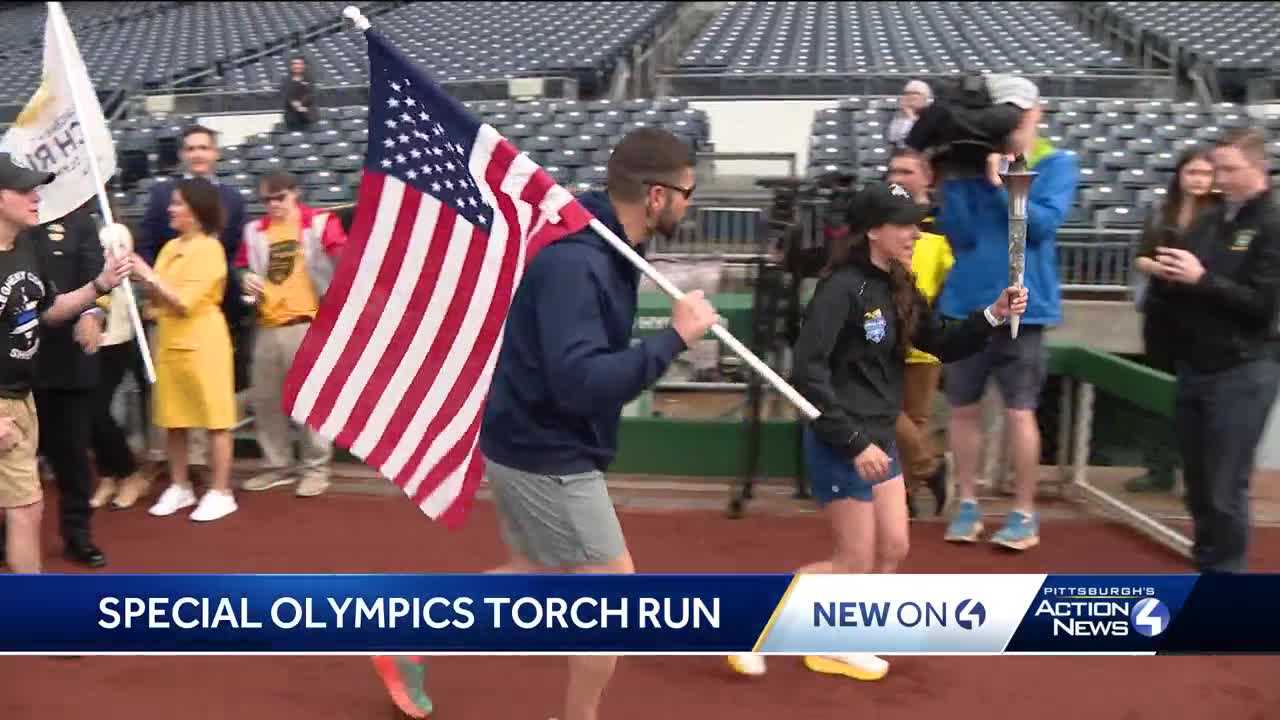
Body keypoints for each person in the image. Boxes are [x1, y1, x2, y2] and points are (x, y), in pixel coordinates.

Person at [370, 128, 718, 720]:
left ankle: (410, 642)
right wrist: (673, 340)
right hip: (546, 450)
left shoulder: (606, 251)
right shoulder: (579, 262)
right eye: (687, 192)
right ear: (657, 196)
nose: (690, 204)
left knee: (537, 575)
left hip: (533, 439)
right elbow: (580, 383)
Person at [727, 182, 1026, 681]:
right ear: (873, 231)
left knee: (893, 548)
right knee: (852, 558)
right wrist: (853, 441)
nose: (914, 232)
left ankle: (839, 642)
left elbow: (939, 341)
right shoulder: (840, 288)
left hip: (880, 434)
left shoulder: (900, 282)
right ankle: (753, 625)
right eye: (903, 224)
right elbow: (808, 373)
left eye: (916, 222)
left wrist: (993, 314)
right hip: (842, 440)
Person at [938, 76, 1079, 551]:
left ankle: (1023, 512)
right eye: (1004, 111)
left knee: (1020, 411)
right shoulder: (966, 166)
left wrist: (1005, 184)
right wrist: (959, 177)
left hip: (1025, 304)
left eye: (1020, 110)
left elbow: (1041, 227)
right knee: (962, 410)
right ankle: (968, 503)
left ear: (1037, 112)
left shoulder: (1056, 162)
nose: (1013, 120)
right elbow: (959, 235)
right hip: (967, 304)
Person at [1146, 128, 1280, 573]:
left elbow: (1263, 306)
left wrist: (1201, 279)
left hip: (1243, 367)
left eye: (1229, 169)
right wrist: (1169, 278)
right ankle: (1207, 565)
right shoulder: (1211, 220)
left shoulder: (1272, 222)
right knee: (1200, 486)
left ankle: (1226, 583)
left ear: (1259, 168)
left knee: (1226, 487)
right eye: (1216, 167)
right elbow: (1186, 285)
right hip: (1195, 363)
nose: (1218, 178)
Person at [0, 153, 131, 574]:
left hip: (23, 396)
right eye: (25, 189)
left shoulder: (26, 246)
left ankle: (30, 614)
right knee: (24, 508)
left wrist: (99, 286)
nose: (36, 195)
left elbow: (49, 310)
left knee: (26, 507)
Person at [138, 125, 249, 471]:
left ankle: (207, 470)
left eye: (204, 147)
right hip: (167, 309)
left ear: (215, 153)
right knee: (173, 403)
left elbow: (232, 258)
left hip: (210, 310)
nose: (198, 154)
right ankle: (174, 471)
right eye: (191, 148)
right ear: (183, 154)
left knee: (209, 399)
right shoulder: (160, 195)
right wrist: (155, 290)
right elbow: (148, 245)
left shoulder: (233, 198)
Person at [129, 179, 239, 523]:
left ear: (196, 210)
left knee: (216, 421)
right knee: (173, 419)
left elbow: (186, 302)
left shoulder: (210, 249)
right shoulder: (169, 247)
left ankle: (221, 491)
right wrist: (148, 283)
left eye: (177, 204)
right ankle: (180, 485)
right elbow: (159, 299)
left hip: (204, 342)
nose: (170, 209)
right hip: (169, 339)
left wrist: (149, 277)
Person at [235, 172, 345, 497]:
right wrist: (244, 279)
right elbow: (242, 266)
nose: (273, 205)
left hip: (306, 322)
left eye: (279, 197)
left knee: (311, 401)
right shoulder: (254, 231)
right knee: (266, 400)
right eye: (266, 200)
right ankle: (277, 464)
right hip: (268, 324)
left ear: (295, 193)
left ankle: (316, 468)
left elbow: (343, 254)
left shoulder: (318, 223)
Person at [1129, 147, 1220, 494]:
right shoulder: (1160, 212)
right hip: (1161, 309)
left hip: (1204, 313)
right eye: (1192, 173)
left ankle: (1200, 475)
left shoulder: (1222, 216)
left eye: (1205, 174)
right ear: (1179, 176)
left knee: (1199, 394)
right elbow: (1140, 257)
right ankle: (1158, 469)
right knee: (1157, 387)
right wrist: (1158, 267)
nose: (1198, 180)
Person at [29, 198, 113, 568]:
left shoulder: (80, 221)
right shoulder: (14, 220)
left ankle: (77, 535)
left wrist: (93, 314)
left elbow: (95, 275)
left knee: (73, 459)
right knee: (13, 457)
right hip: (18, 361)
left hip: (68, 357)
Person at [886, 148, 953, 517]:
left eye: (906, 170)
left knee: (917, 420)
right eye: (892, 170)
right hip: (880, 331)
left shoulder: (945, 224)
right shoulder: (878, 220)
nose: (896, 176)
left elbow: (953, 280)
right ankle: (931, 468)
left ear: (927, 177)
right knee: (880, 409)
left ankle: (906, 494)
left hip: (924, 337)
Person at [887, 80, 932, 147]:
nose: (910, 96)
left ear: (926, 97)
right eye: (907, 93)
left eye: (916, 93)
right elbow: (893, 138)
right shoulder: (899, 116)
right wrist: (907, 115)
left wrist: (910, 117)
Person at [282, 57, 317, 132]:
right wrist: (296, 105)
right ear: (291, 66)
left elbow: (311, 94)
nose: (297, 66)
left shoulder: (309, 79)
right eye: (295, 64)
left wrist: (301, 104)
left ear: (303, 66)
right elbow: (286, 95)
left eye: (299, 64)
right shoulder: (285, 81)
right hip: (292, 118)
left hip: (308, 117)